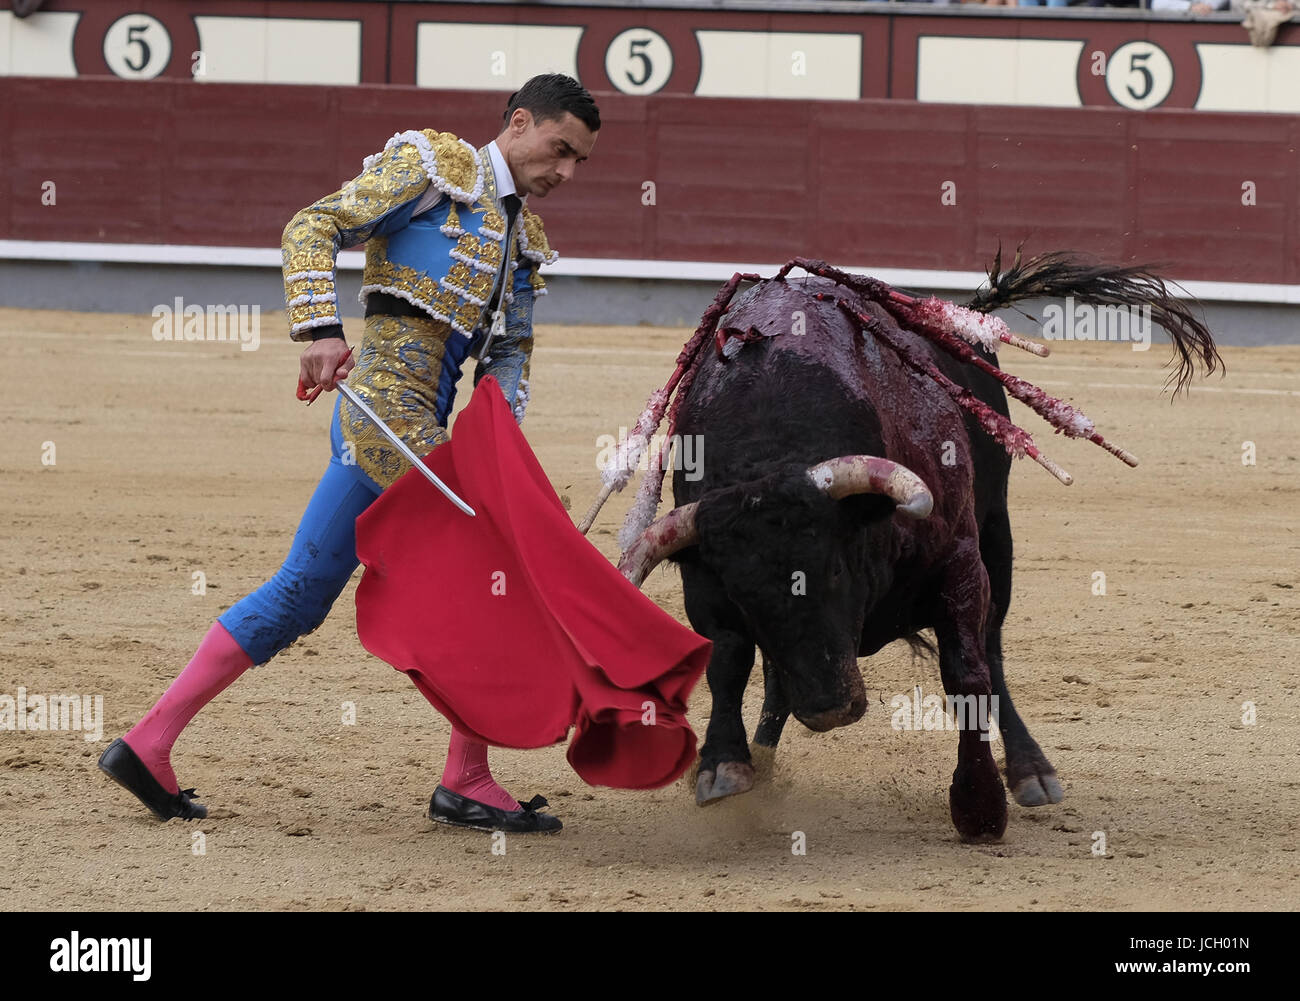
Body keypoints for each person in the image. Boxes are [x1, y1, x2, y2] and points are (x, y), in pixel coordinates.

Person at [99, 73, 600, 834]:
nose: (564, 171)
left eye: (579, 162)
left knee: (303, 590)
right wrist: (318, 330)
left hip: (422, 427)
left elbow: (510, 351)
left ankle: (149, 742)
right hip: (384, 413)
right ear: (521, 122)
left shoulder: (523, 239)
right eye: (560, 149)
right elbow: (313, 225)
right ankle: (466, 776)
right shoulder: (435, 169)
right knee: (506, 570)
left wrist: (497, 445)